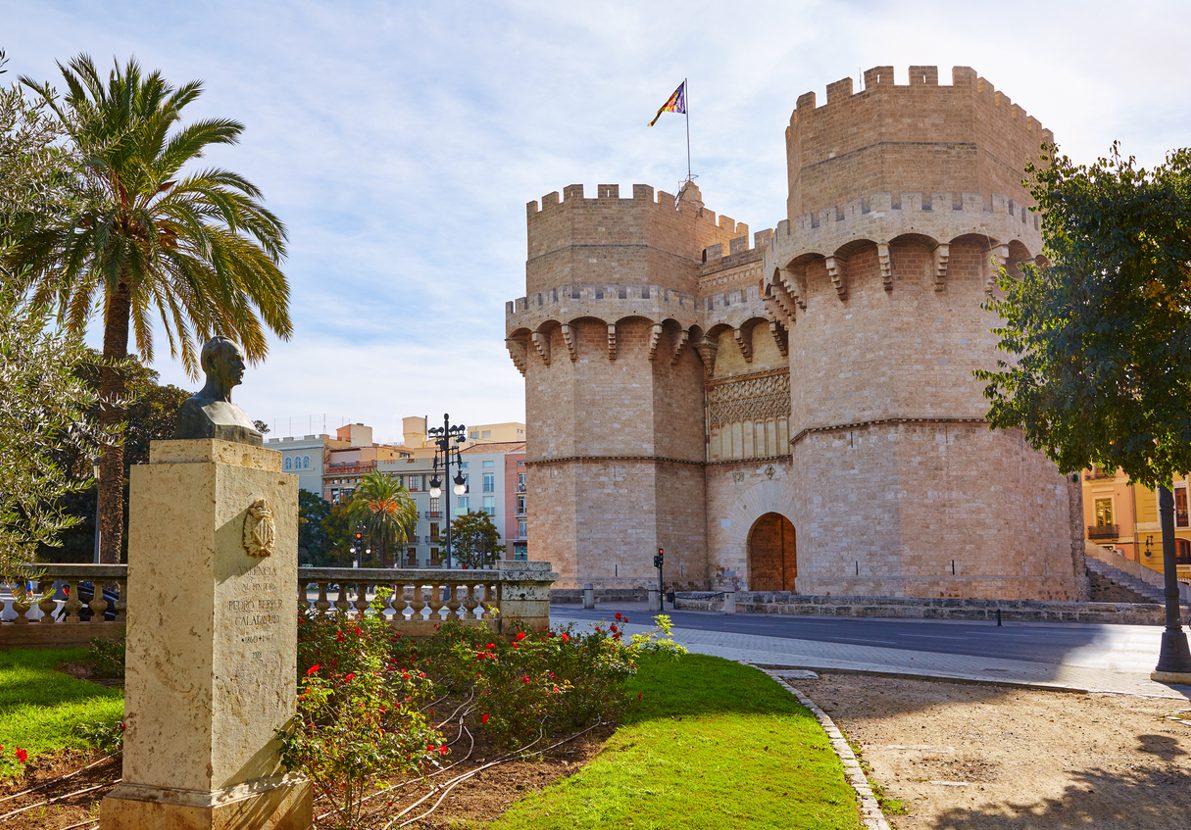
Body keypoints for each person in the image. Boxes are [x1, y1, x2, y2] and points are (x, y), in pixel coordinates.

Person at [174, 336, 263, 445]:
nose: (243, 366)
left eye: (242, 360)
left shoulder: (244, 415)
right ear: (212, 362)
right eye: (234, 359)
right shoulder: (193, 407)